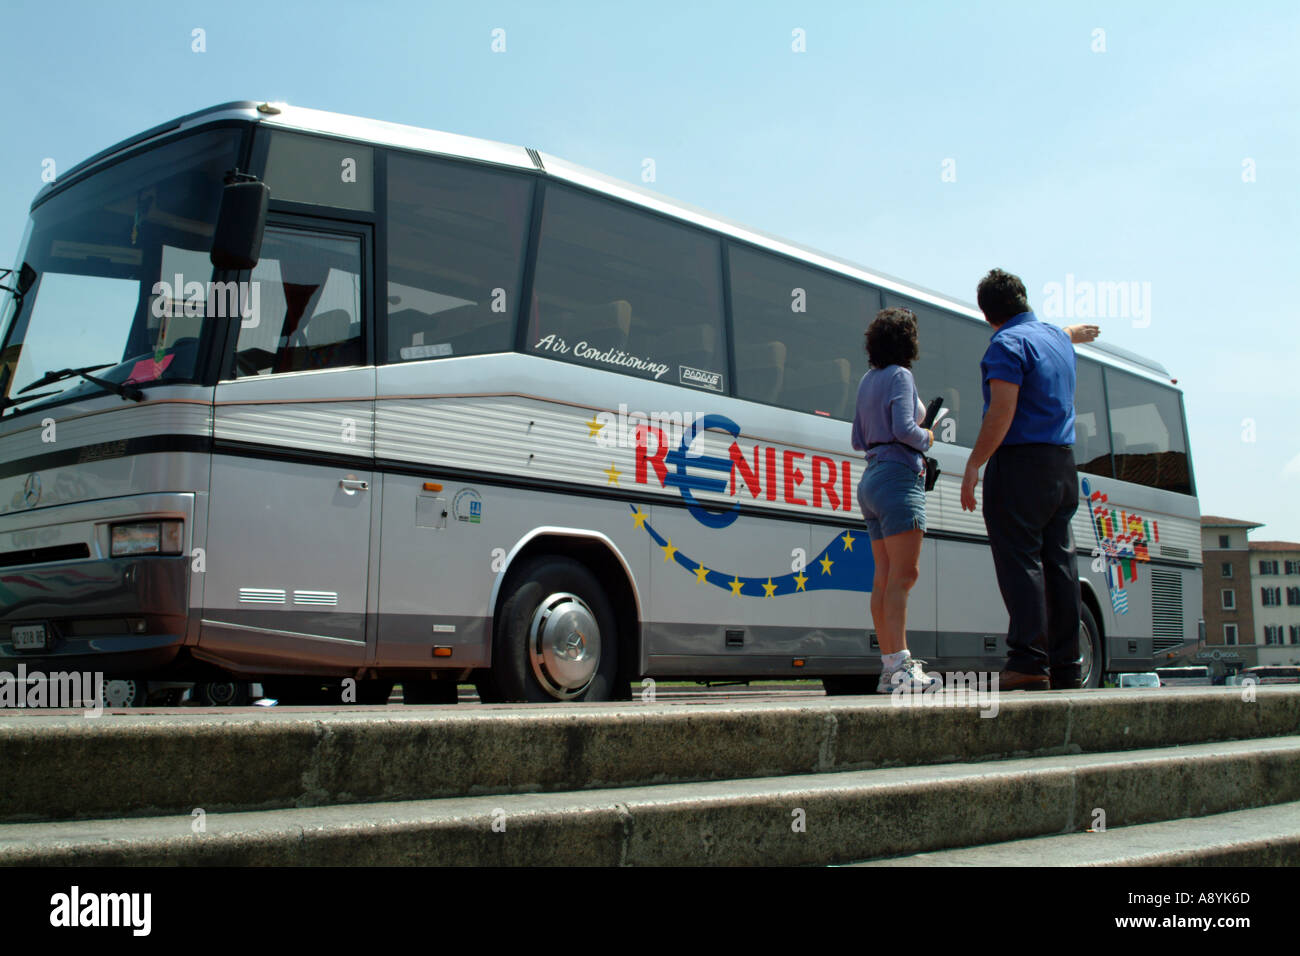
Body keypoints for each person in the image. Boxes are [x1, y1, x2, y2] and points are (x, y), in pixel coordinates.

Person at [960, 269, 1092, 690]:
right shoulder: (1054, 337)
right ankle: (1066, 664)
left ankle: (1028, 661)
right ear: (1023, 300)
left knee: (1021, 562)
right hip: (1063, 464)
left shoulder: (1006, 344)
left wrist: (974, 464)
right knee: (1059, 565)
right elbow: (1061, 332)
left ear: (987, 315)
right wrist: (1075, 330)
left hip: (1020, 463)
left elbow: (1002, 412)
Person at [851, 307, 939, 691]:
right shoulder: (902, 376)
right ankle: (902, 667)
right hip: (899, 479)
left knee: (884, 578)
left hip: (870, 479)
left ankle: (890, 669)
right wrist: (928, 438)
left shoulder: (868, 379)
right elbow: (905, 429)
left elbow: (857, 439)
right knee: (905, 576)